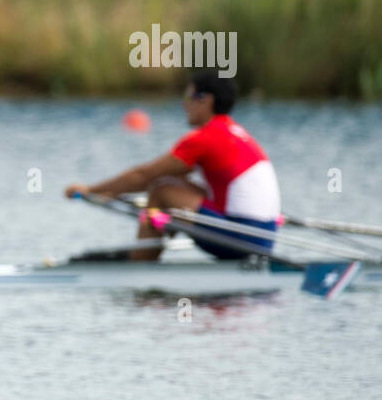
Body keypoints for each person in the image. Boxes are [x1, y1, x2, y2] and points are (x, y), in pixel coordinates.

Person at [64, 72, 281, 260]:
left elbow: (144, 175)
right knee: (173, 186)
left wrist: (91, 190)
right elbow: (153, 178)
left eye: (188, 96)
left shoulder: (204, 138)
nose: (183, 103)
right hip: (265, 235)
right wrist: (112, 191)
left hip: (243, 238)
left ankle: (139, 268)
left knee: (162, 191)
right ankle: (150, 249)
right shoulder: (235, 132)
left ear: (205, 100)